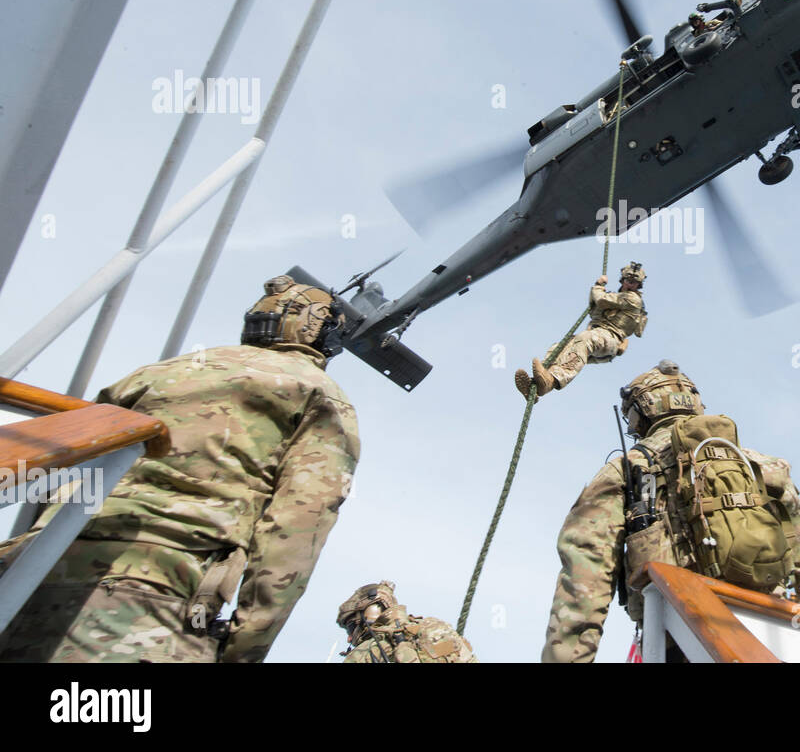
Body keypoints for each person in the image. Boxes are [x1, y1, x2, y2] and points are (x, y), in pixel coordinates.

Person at [0, 275, 360, 663]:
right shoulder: (318, 392)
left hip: (25, 566)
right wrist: (245, 648)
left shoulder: (157, 372)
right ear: (319, 331)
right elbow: (298, 526)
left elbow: (63, 460)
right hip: (149, 594)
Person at [542, 361, 800, 662]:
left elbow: (584, 580)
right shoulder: (764, 465)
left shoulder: (624, 470)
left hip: (681, 639)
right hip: (771, 636)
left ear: (642, 413)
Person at [515, 262, 647, 398]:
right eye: (628, 280)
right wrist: (598, 287)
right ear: (622, 280)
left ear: (638, 285)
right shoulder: (615, 298)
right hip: (598, 335)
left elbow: (600, 300)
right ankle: (538, 383)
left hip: (610, 339)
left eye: (634, 282)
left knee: (586, 339)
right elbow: (594, 307)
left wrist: (598, 286)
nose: (630, 284)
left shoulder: (633, 299)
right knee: (561, 346)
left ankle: (552, 380)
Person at [336, 581, 476, 663]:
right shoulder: (437, 628)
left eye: (350, 627)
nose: (349, 637)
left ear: (369, 614)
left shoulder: (366, 650)